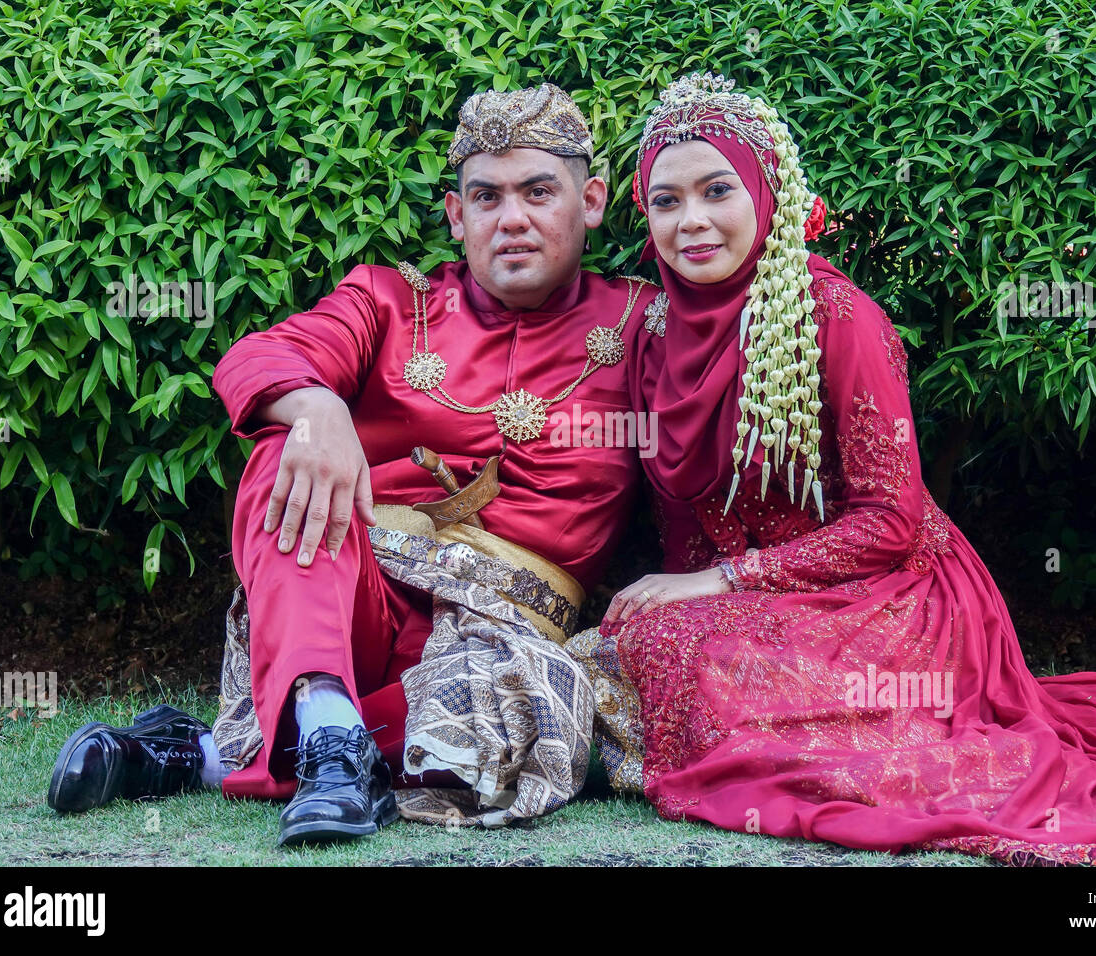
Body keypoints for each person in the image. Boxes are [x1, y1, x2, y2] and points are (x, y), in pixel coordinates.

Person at [573, 72, 1096, 865]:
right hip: (762, 604)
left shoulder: (837, 319)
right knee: (660, 636)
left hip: (895, 598)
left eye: (716, 191)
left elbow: (890, 523)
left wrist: (717, 590)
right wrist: (687, 599)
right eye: (666, 201)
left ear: (768, 194)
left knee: (695, 650)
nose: (691, 221)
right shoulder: (655, 333)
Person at [47, 82, 665, 846]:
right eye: (486, 197)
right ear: (455, 214)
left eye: (540, 192)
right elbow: (260, 358)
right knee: (287, 448)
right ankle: (332, 732)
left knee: (516, 699)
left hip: (505, 641)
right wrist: (317, 408)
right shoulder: (388, 300)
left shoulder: (647, 324)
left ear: (593, 200)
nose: (512, 219)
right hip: (349, 612)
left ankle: (198, 755)